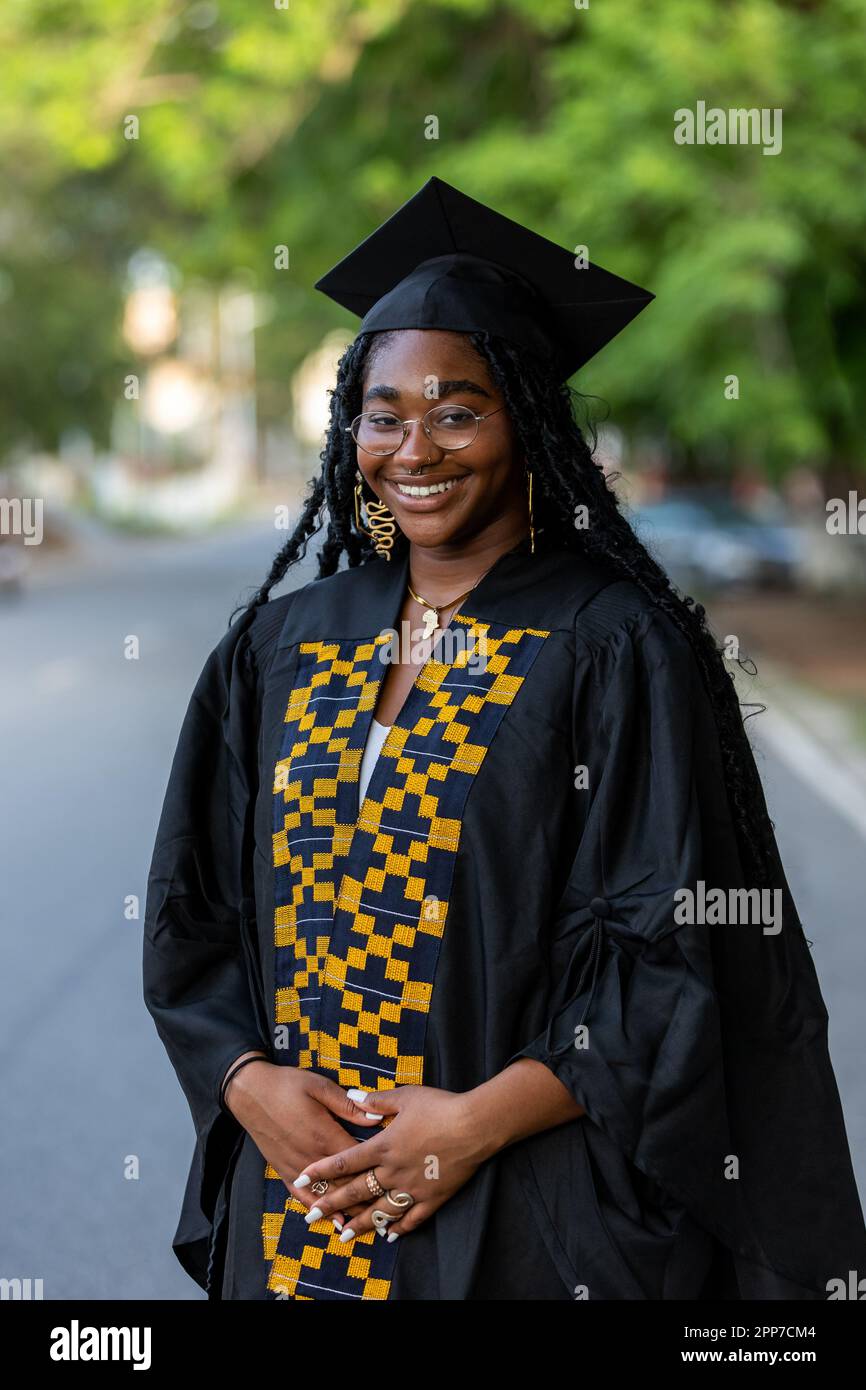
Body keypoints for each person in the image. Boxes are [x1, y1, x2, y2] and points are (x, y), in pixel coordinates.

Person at [143, 177, 866, 1301]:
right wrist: (242, 1081)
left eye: (455, 409)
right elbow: (191, 908)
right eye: (381, 413)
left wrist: (473, 1124)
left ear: (523, 420)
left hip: (521, 1218)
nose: (412, 446)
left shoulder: (609, 646)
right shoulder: (283, 645)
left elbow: (671, 956)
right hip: (297, 1207)